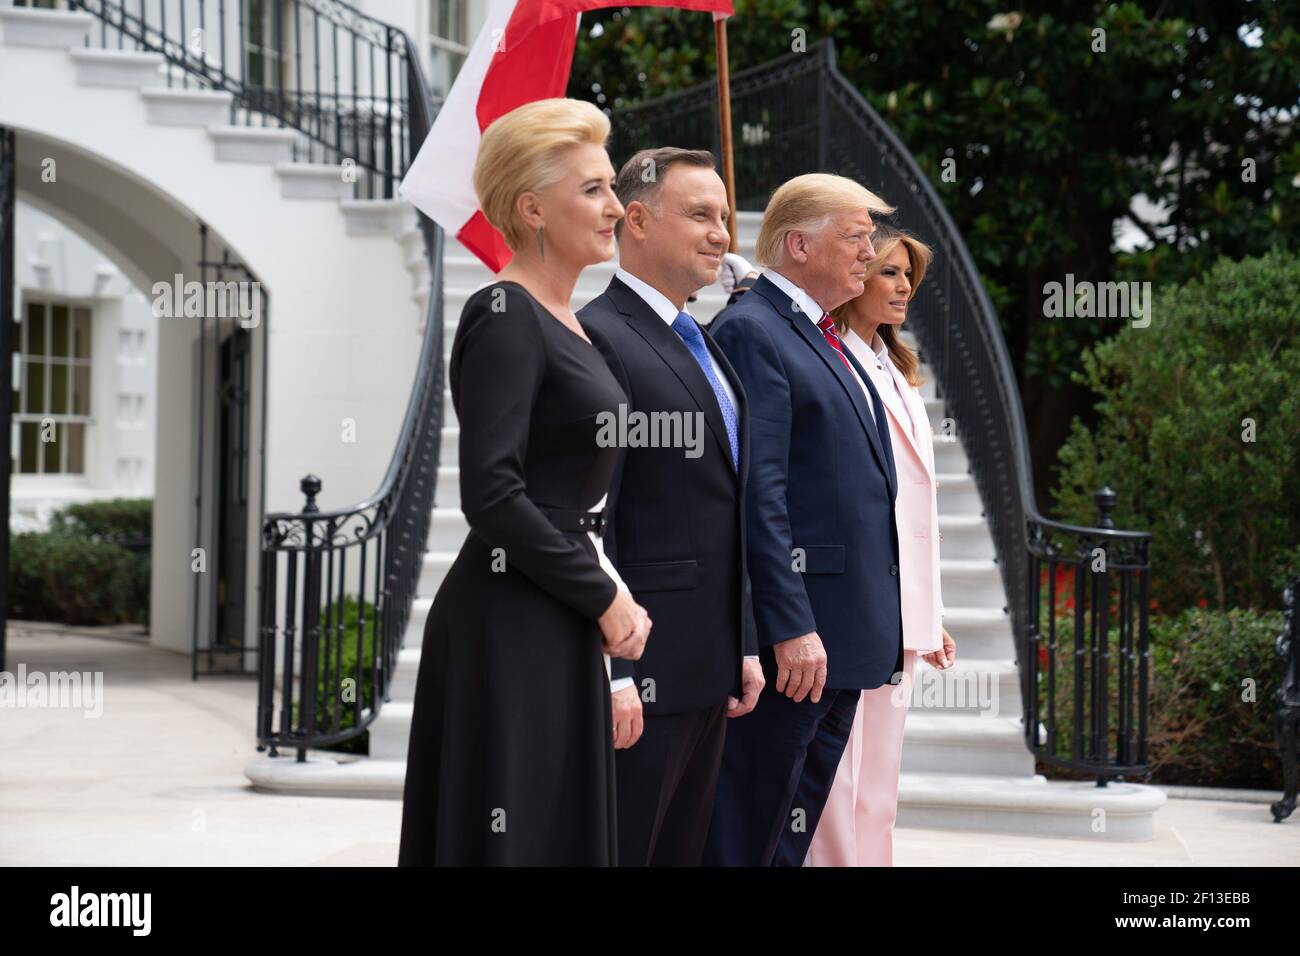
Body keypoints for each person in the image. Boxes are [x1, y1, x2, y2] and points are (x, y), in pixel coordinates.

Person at [397, 97, 652, 866]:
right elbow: (495, 494)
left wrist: (600, 605)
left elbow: (576, 506)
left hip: (555, 612)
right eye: (594, 190)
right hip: (512, 622)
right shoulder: (505, 311)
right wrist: (604, 596)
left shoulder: (562, 315)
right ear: (532, 207)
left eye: (613, 186)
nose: (616, 207)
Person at [703, 173, 901, 867]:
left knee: (789, 835)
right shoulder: (753, 329)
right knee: (745, 832)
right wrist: (788, 625)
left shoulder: (821, 333)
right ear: (796, 244)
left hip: (843, 635)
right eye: (854, 237)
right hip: (801, 641)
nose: (869, 254)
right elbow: (762, 493)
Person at [577, 147, 764, 866]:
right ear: (639, 221)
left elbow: (728, 504)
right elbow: (598, 517)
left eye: (724, 216)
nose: (721, 233)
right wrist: (614, 671)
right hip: (643, 666)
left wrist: (743, 641)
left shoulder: (704, 343)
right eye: (700, 215)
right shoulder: (602, 335)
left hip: (710, 666)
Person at [804, 223, 957, 867]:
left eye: (908, 276)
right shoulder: (825, 355)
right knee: (835, 784)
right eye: (889, 271)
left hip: (900, 615)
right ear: (854, 273)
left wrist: (932, 613)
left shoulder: (897, 369)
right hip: (850, 604)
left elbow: (918, 506)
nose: (902, 286)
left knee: (878, 792)